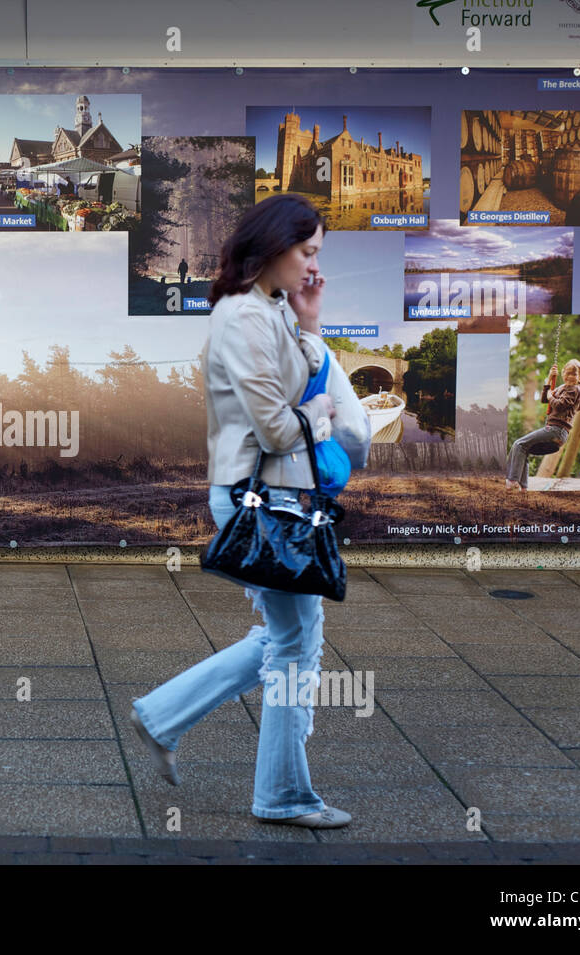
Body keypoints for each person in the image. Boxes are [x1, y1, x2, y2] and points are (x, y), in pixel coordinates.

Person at [128, 193, 351, 828]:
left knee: (289, 637)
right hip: (260, 498)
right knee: (294, 644)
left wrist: (309, 323)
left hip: (277, 494)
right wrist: (319, 414)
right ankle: (280, 794)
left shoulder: (270, 310)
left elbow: (299, 376)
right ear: (276, 246)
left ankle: (162, 715)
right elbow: (280, 428)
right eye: (307, 252)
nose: (312, 266)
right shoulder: (243, 318)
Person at [505, 358, 580, 491]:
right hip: (556, 432)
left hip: (556, 430)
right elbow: (543, 399)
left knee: (519, 444)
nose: (570, 376)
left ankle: (512, 480)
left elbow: (559, 405)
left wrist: (550, 396)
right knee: (524, 449)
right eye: (567, 373)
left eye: (574, 374)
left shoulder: (575, 390)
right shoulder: (562, 388)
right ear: (563, 374)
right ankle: (523, 487)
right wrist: (549, 379)